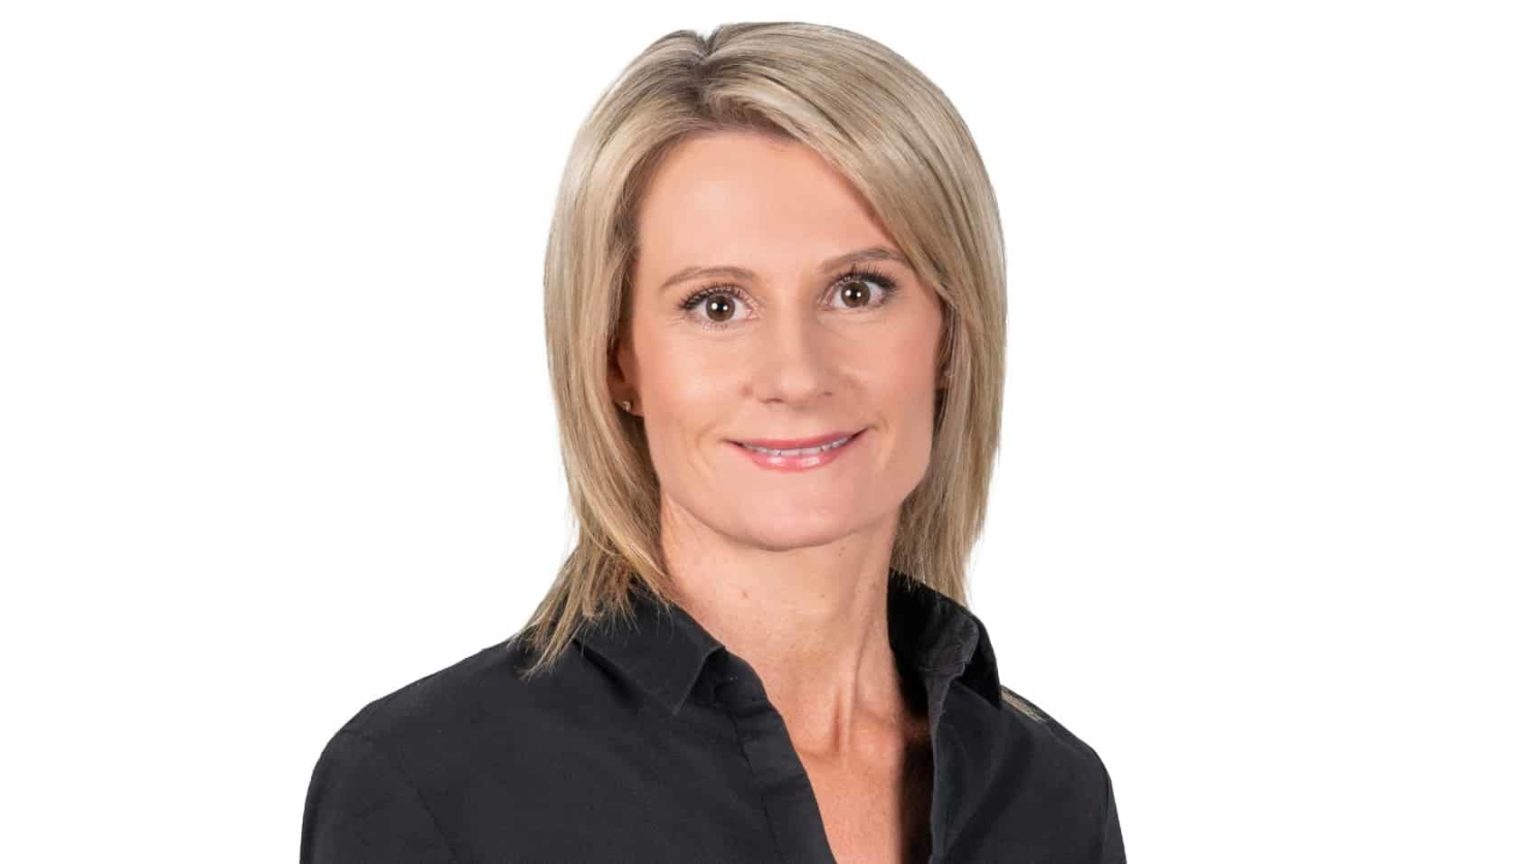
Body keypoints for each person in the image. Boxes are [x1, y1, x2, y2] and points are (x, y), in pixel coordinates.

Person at [301, 21, 1125, 863]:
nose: (796, 375)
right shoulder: (434, 786)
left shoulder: (1051, 796)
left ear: (951, 334)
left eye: (857, 290)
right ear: (617, 358)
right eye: (717, 305)